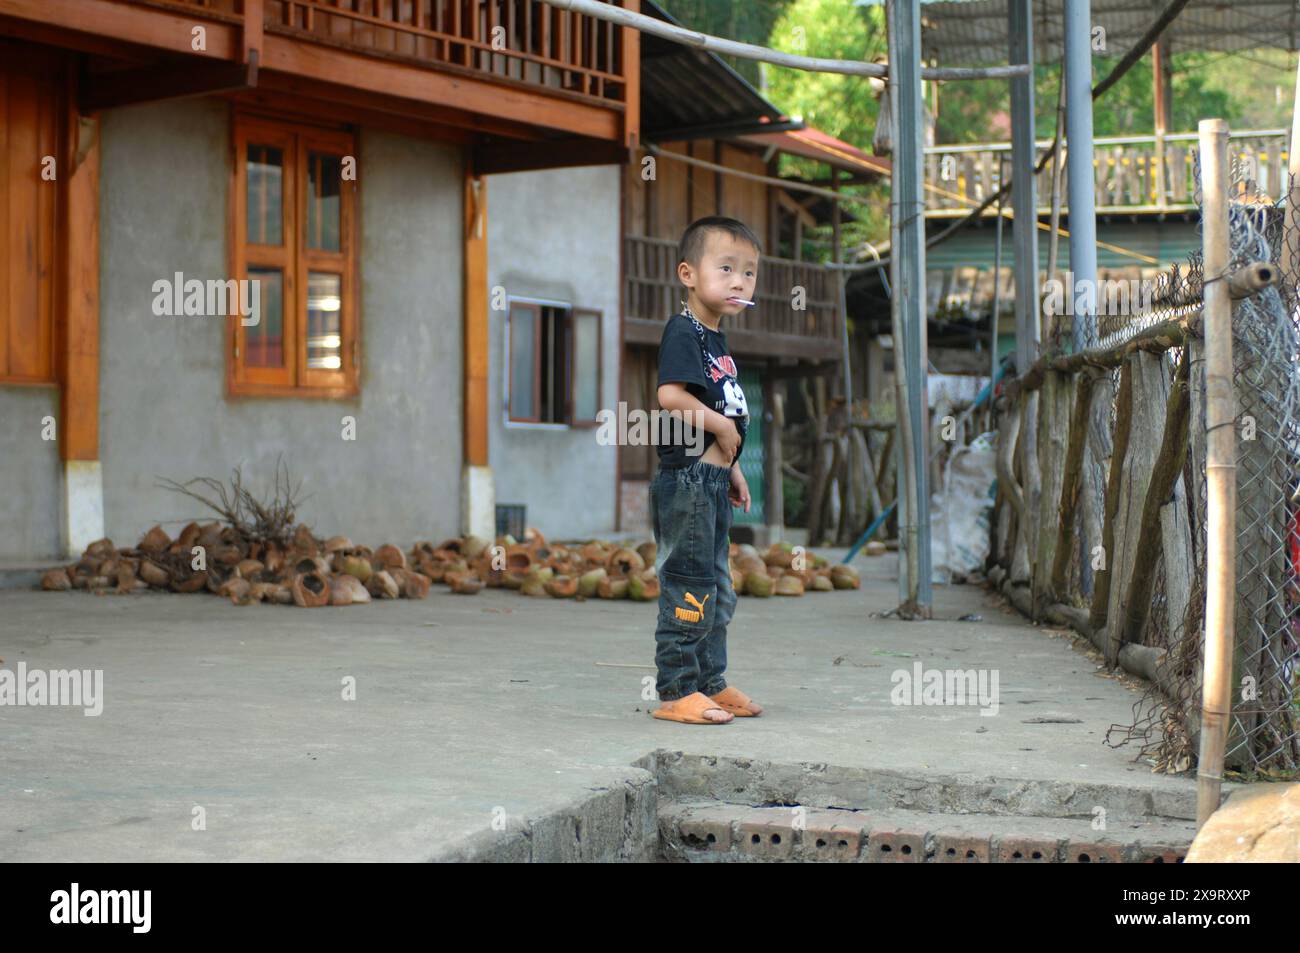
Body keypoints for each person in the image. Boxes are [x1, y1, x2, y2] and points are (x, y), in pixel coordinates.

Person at [649, 216, 764, 724]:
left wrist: (733, 468)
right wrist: (720, 430)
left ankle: (709, 681)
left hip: (715, 480)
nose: (740, 281)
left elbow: (722, 411)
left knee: (719, 585)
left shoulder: (717, 340)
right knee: (689, 583)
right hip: (689, 481)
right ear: (688, 274)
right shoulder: (684, 331)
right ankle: (676, 689)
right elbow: (671, 396)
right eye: (726, 269)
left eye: (749, 273)